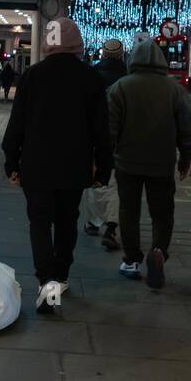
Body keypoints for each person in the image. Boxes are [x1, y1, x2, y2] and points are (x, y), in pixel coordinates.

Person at [2, 17, 112, 314]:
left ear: (48, 42)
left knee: (39, 222)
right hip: (74, 167)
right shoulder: (91, 79)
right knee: (67, 220)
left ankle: (46, 279)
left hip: (36, 166)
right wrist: (103, 169)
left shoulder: (32, 76)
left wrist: (11, 161)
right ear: (77, 43)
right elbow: (102, 131)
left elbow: (17, 125)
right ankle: (61, 275)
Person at [106, 37, 191, 288]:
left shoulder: (120, 87)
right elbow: (186, 129)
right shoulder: (175, 90)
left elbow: (109, 130)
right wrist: (185, 158)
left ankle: (132, 260)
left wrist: (105, 159)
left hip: (127, 163)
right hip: (162, 163)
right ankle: (158, 251)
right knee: (163, 214)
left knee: (129, 211)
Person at [83, 38, 128, 250]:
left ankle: (93, 221)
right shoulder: (128, 78)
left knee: (94, 180)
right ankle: (111, 225)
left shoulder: (91, 75)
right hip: (120, 138)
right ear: (122, 54)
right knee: (115, 183)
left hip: (93, 135)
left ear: (103, 53)